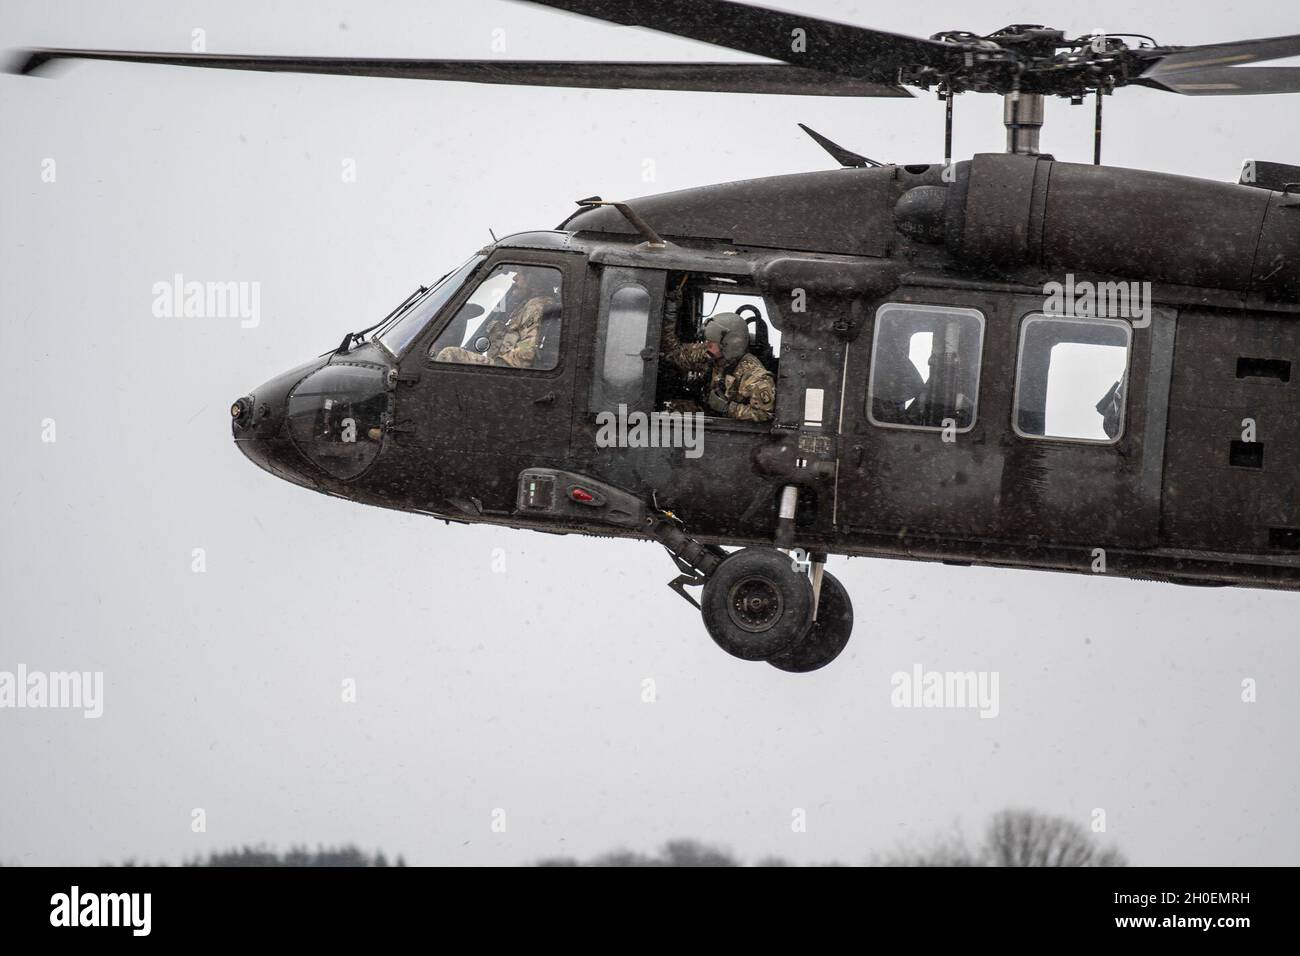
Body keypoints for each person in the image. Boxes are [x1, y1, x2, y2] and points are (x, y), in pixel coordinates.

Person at [660, 310, 775, 423]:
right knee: (664, 410)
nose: (706, 346)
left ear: (728, 344)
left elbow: (765, 414)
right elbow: (676, 355)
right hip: (706, 411)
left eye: (711, 343)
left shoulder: (754, 376)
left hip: (725, 427)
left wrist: (727, 408)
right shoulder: (714, 354)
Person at [434, 267, 557, 369]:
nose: (515, 278)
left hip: (506, 368)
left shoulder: (536, 306)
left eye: (519, 274)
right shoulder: (526, 306)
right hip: (501, 365)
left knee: (450, 354)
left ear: (532, 279)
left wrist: (501, 364)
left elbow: (529, 346)